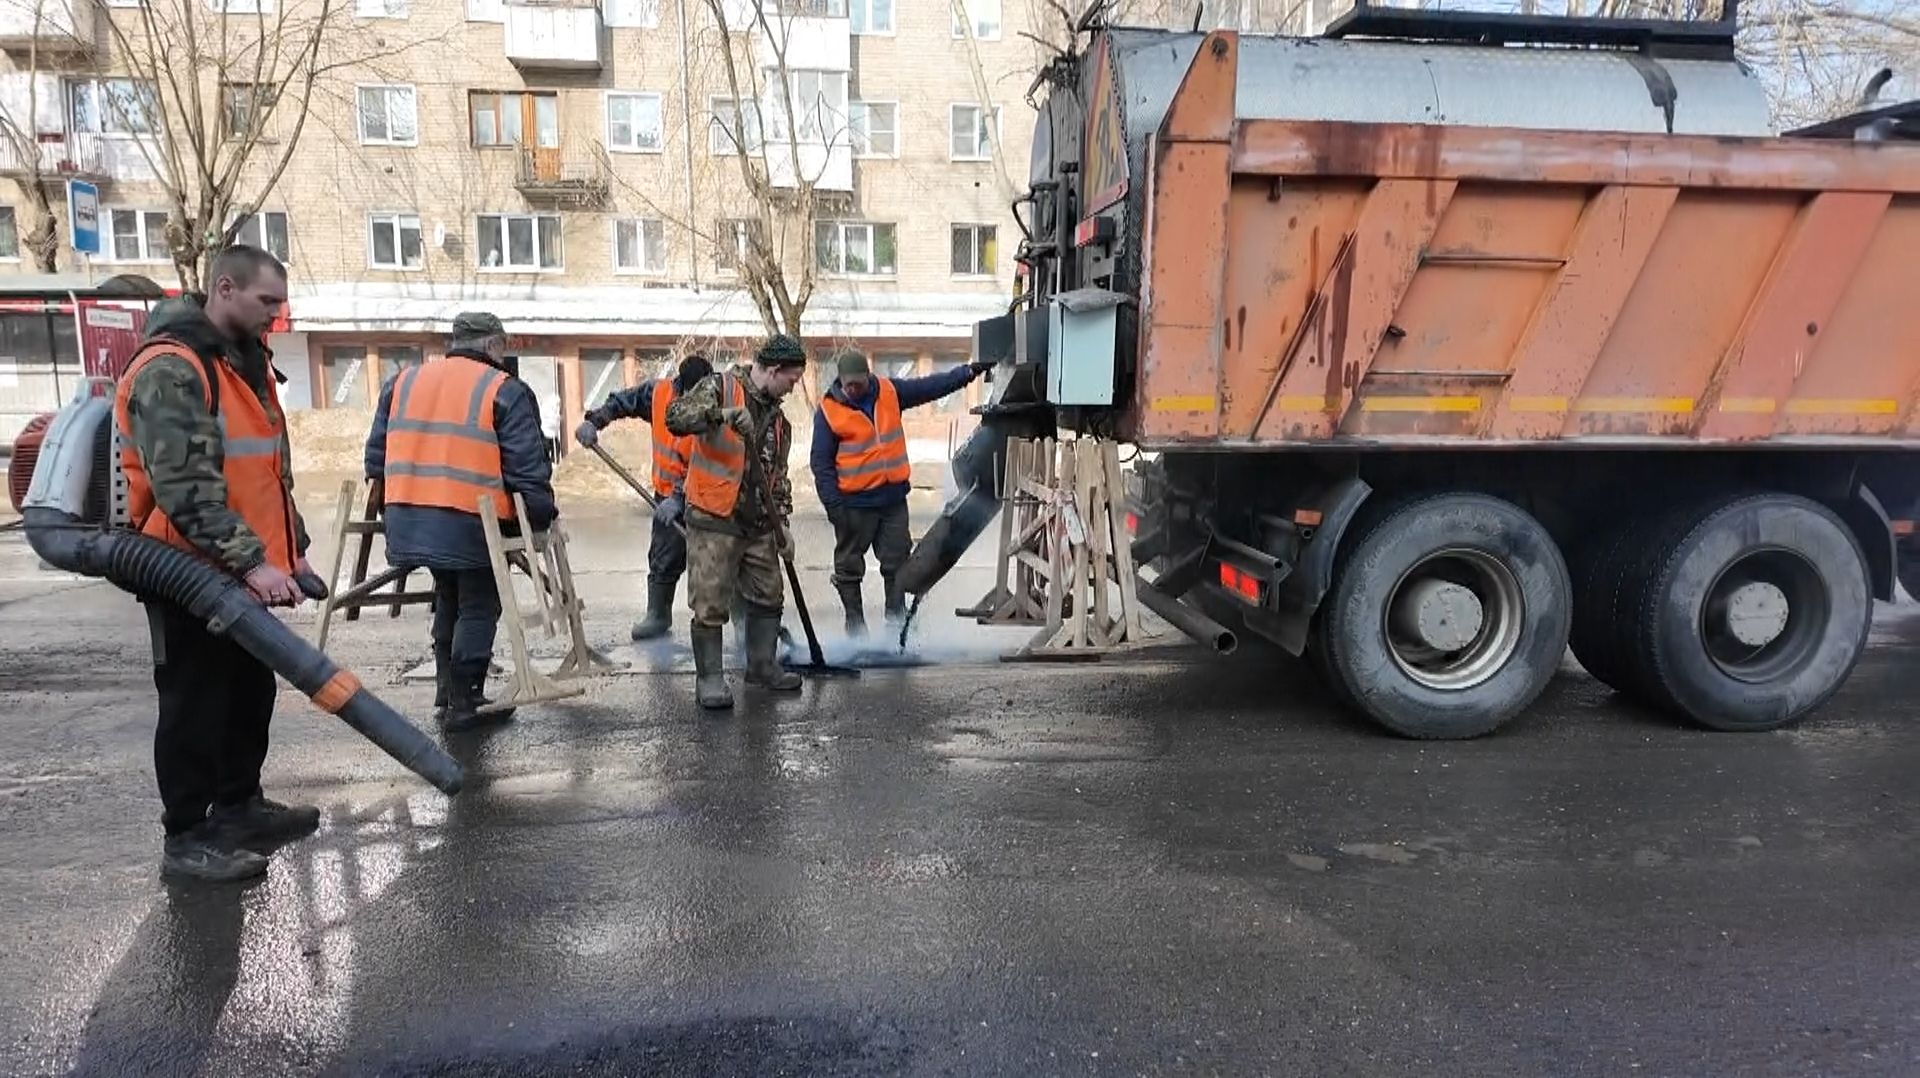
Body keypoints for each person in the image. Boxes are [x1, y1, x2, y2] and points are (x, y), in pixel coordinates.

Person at [114, 244, 319, 882]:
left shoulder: (245, 365)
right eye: (267, 303)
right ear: (224, 288)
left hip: (238, 571)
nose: (275, 318)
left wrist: (295, 551)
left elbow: (265, 474)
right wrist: (253, 564)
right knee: (194, 701)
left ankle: (238, 807)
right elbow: (185, 488)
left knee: (247, 691)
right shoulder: (173, 368)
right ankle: (188, 835)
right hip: (184, 570)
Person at [364, 312, 558, 733]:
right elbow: (528, 468)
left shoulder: (402, 382)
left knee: (449, 591)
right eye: (502, 347)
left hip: (409, 516)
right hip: (470, 518)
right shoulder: (504, 389)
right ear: (492, 346)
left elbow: (375, 457)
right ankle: (466, 701)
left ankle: (446, 689)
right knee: (478, 601)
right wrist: (541, 517)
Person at [664, 335, 809, 710]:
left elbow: (777, 476)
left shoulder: (779, 422)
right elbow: (675, 417)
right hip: (714, 517)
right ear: (773, 371)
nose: (792, 389)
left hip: (758, 525)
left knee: (768, 594)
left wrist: (784, 526)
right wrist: (721, 416)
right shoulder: (719, 387)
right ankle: (709, 680)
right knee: (710, 603)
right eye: (791, 381)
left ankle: (761, 666)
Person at [812, 350, 991, 634]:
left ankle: (895, 626)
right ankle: (855, 627)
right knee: (848, 568)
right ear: (840, 381)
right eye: (849, 385)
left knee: (896, 564)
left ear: (868, 377)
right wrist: (834, 508)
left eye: (859, 383)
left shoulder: (889, 391)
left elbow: (930, 386)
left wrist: (968, 373)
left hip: (892, 502)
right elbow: (821, 465)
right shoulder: (828, 412)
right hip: (853, 505)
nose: (854, 389)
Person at [573, 353, 714, 642]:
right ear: (681, 388)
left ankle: (742, 624)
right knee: (663, 558)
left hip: (708, 500)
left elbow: (711, 461)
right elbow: (621, 401)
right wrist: (594, 421)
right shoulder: (658, 394)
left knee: (719, 563)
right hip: (665, 498)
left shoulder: (717, 404)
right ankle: (658, 615)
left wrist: (680, 497)